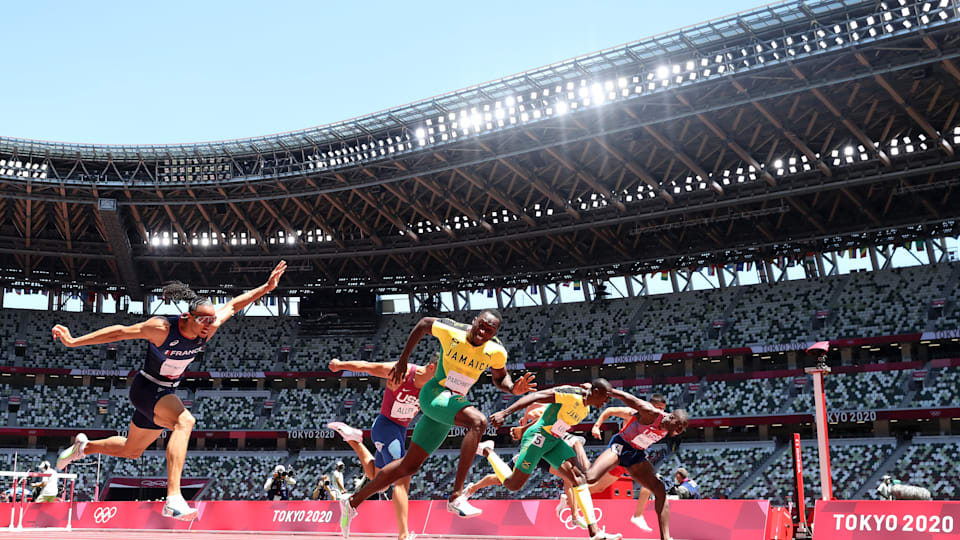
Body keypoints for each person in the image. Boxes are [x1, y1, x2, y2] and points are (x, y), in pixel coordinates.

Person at [52, 261, 287, 520]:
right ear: (187, 317)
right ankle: (173, 497)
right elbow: (119, 333)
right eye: (204, 320)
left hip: (162, 393)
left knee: (132, 450)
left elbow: (233, 305)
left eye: (212, 319)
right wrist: (75, 341)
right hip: (146, 388)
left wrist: (266, 287)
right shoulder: (162, 329)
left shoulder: (206, 330)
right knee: (185, 421)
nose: (210, 324)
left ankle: (82, 447)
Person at [339, 310, 536, 538]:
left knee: (407, 467)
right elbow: (423, 323)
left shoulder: (496, 351)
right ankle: (457, 496)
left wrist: (513, 388)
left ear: (495, 333)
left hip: (450, 404)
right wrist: (403, 361)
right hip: (435, 394)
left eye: (489, 330)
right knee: (478, 422)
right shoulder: (451, 330)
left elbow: (500, 378)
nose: (482, 332)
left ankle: (352, 502)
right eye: (481, 325)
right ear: (474, 321)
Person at [479, 380, 622, 540]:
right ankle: (487, 450)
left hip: (554, 441)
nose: (606, 401)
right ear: (595, 392)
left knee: (578, 478)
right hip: (538, 438)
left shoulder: (585, 408)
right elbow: (536, 396)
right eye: (605, 397)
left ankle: (594, 532)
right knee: (513, 485)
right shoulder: (570, 394)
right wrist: (505, 413)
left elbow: (558, 420)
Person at [327, 354, 438, 540]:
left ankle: (354, 440)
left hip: (400, 433)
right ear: (433, 366)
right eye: (443, 370)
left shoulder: (433, 388)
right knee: (402, 478)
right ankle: (403, 535)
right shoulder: (402, 372)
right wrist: (340, 365)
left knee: (377, 479)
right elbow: (367, 365)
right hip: (385, 427)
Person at [463, 401, 590, 526]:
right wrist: (523, 426)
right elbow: (534, 408)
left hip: (550, 447)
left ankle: (574, 514)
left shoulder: (568, 411)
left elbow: (532, 405)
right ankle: (472, 488)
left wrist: (524, 419)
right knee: (503, 479)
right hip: (534, 446)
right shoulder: (548, 410)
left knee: (569, 476)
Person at [584, 390, 689, 540]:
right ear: (670, 417)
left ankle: (664, 537)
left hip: (636, 454)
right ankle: (571, 478)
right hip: (621, 447)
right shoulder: (649, 412)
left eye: (682, 429)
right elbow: (627, 398)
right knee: (592, 479)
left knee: (659, 489)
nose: (679, 431)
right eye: (679, 426)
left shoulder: (668, 427)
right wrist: (607, 392)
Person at [591, 393, 668, 532]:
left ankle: (638, 515)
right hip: (622, 453)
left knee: (653, 482)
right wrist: (597, 426)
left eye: (663, 408)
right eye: (658, 407)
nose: (660, 412)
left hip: (635, 456)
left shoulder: (660, 423)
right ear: (649, 405)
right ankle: (571, 495)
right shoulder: (633, 413)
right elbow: (609, 411)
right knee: (598, 488)